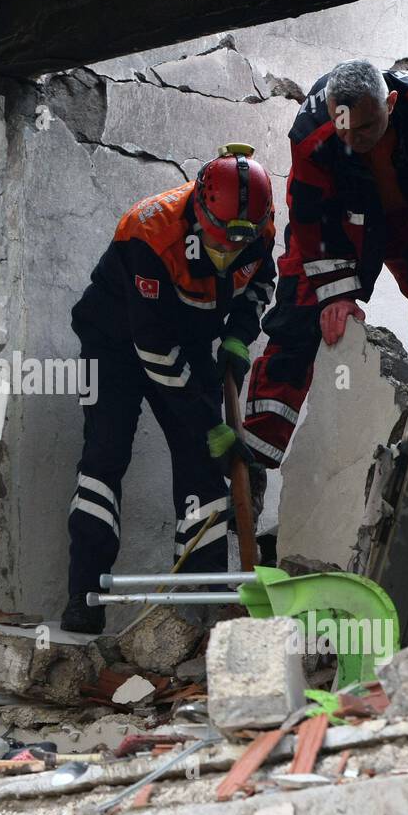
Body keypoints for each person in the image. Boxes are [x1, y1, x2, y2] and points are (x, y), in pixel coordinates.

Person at [62, 144, 276, 634]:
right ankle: (84, 597)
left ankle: (196, 611)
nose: (227, 256)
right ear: (198, 212)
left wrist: (241, 334)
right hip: (116, 342)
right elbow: (154, 350)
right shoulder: (149, 231)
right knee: (105, 455)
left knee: (204, 466)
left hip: (188, 337)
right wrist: (209, 424)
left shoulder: (257, 225)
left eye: (237, 248)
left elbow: (262, 282)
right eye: (220, 243)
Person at [242, 59, 408, 468]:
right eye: (343, 128)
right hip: (340, 233)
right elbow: (308, 215)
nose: (352, 139)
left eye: (364, 129)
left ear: (391, 103)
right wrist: (338, 294)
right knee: (300, 317)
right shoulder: (312, 135)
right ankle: (253, 459)